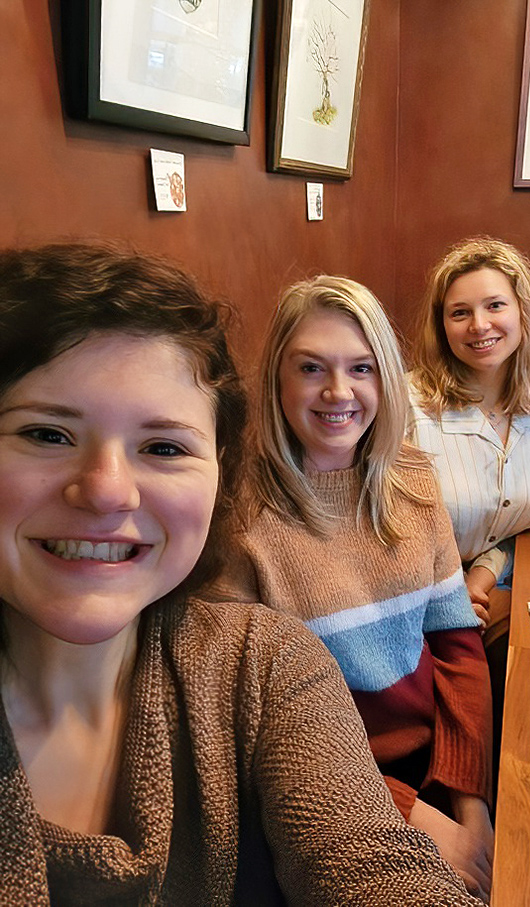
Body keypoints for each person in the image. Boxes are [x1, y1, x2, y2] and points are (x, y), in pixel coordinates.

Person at [0, 243, 485, 906]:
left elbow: (365, 855)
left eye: (162, 446)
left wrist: (467, 794)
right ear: (276, 385)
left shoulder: (261, 661)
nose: (109, 490)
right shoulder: (249, 533)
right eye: (47, 434)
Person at [217, 276, 494, 904]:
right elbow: (248, 730)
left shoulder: (414, 482)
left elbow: (456, 646)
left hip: (440, 769)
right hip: (325, 796)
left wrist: (470, 803)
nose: (338, 392)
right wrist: (406, 813)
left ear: (385, 379)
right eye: (311, 367)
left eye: (360, 368)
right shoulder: (239, 521)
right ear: (277, 382)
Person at [408, 237, 530, 791]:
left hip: (494, 586)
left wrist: (482, 573)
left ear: (523, 312)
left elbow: (518, 522)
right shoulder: (410, 412)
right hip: (415, 600)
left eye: (495, 305)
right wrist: (452, 587)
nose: (480, 325)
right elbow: (379, 531)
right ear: (441, 326)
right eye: (460, 312)